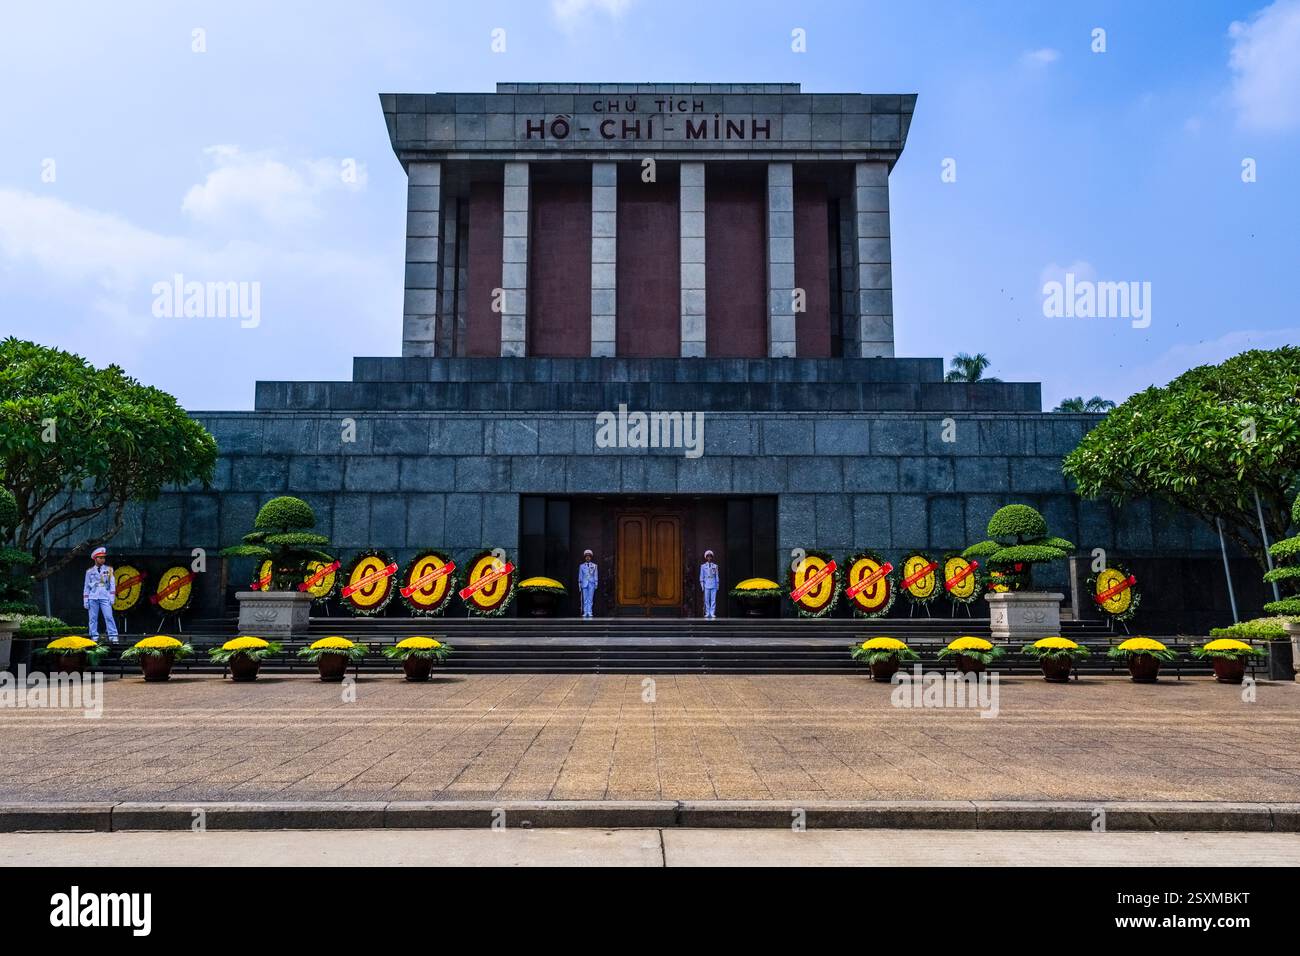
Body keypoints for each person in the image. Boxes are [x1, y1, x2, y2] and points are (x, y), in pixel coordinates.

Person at [83, 546, 118, 643]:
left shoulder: (109, 569)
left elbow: (112, 584)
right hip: (93, 596)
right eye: (100, 558)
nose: (103, 559)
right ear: (95, 558)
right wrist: (85, 600)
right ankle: (94, 636)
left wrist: (112, 597)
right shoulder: (89, 571)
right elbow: (86, 586)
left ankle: (113, 636)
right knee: (93, 618)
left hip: (104, 595)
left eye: (104, 557)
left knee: (109, 616)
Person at [578, 550, 599, 618]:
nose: (588, 558)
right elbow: (580, 575)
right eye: (586, 557)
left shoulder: (594, 566)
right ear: (585, 557)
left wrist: (596, 583)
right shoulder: (581, 566)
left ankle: (590, 612)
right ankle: (585, 612)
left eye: (589, 557)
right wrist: (579, 583)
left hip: (591, 583)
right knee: (585, 599)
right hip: (584, 583)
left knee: (590, 598)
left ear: (591, 557)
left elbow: (595, 575)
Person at [699, 549, 719, 619]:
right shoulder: (703, 566)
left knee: (713, 599)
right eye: (708, 557)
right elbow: (701, 577)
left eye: (710, 557)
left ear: (712, 557)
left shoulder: (715, 566)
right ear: (706, 557)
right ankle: (707, 612)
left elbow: (717, 576)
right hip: (706, 583)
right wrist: (702, 586)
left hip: (713, 583)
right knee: (707, 599)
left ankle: (712, 612)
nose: (709, 558)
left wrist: (717, 584)